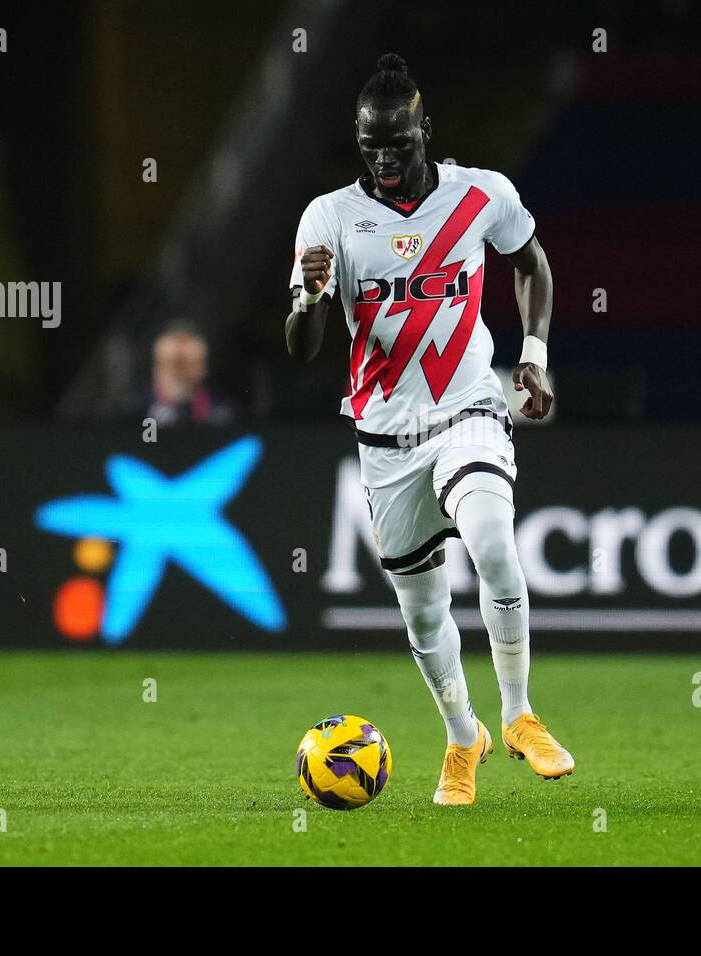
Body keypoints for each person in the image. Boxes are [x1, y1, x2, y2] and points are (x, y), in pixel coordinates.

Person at [284, 54, 573, 806]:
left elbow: (532, 263)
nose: (383, 159)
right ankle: (462, 735)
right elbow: (303, 347)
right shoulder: (329, 218)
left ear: (425, 133)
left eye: (397, 144)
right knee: (422, 608)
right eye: (370, 146)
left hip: (468, 407)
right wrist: (311, 299)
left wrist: (534, 357)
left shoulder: (481, 194)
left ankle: (519, 715)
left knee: (493, 545)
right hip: (383, 436)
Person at [135, 323, 236, 427]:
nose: (178, 374)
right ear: (156, 368)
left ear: (203, 368)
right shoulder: (138, 409)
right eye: (171, 363)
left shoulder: (221, 409)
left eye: (186, 364)